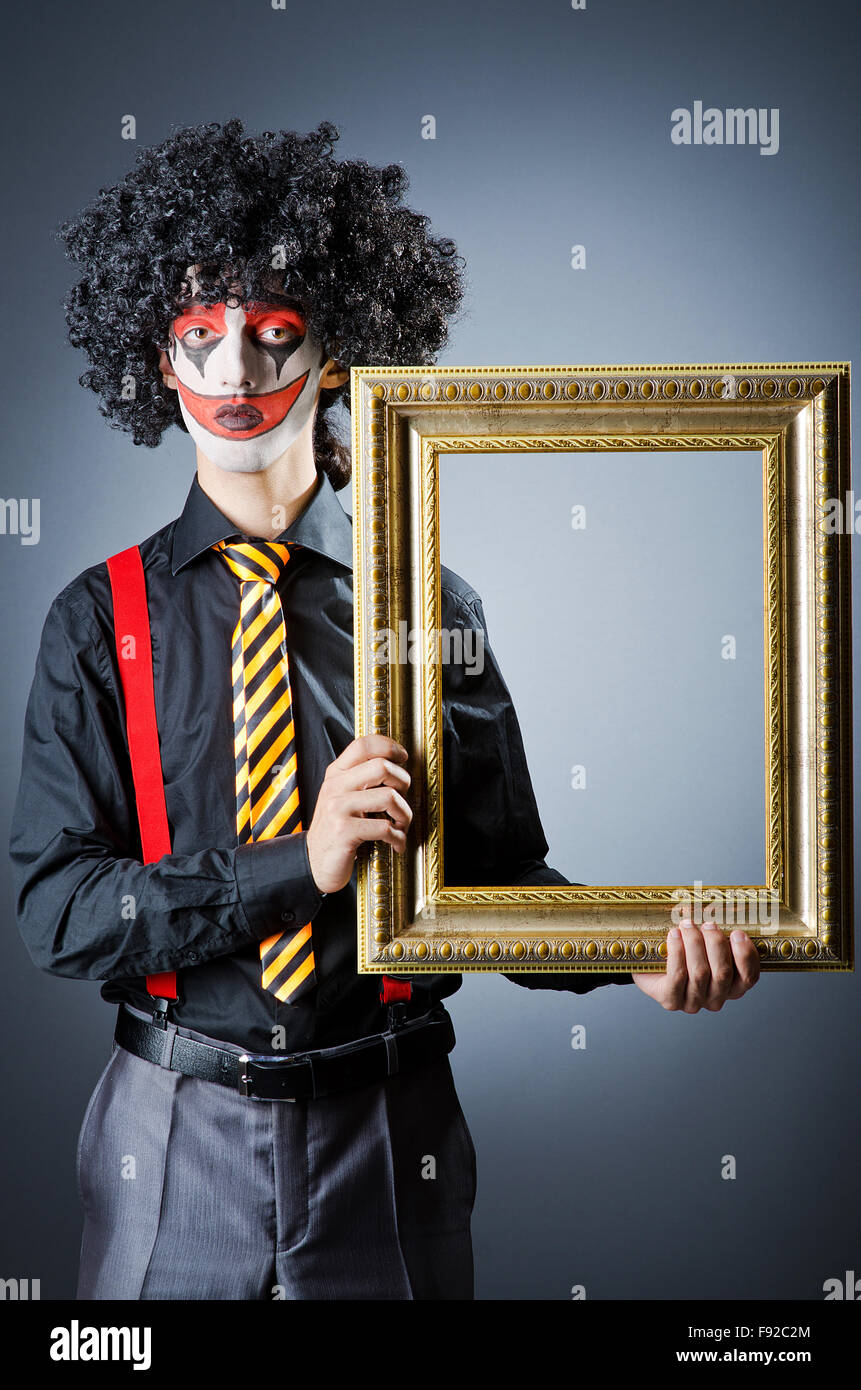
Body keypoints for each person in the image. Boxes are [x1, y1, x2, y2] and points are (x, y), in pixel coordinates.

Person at [8, 118, 760, 1301]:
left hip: (389, 1136)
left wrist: (633, 954)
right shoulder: (95, 622)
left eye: (273, 331)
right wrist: (294, 863)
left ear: (339, 345)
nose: (238, 373)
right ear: (158, 359)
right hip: (171, 1131)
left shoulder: (435, 604)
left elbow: (498, 886)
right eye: (200, 336)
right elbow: (55, 913)